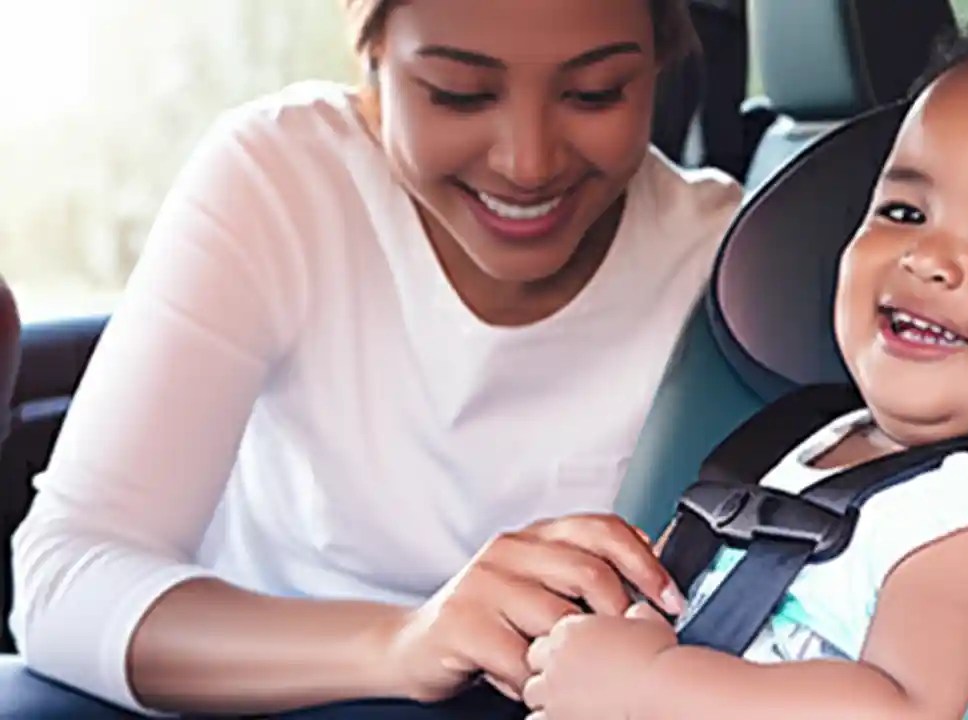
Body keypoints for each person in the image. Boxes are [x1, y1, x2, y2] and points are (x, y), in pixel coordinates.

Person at [518, 4, 968, 719]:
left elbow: (918, 712)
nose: (929, 258)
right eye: (904, 212)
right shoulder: (810, 438)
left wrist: (654, 686)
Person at [7, 0, 741, 716]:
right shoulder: (282, 178)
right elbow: (66, 580)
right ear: (376, 51)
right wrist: (403, 643)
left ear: (659, 66)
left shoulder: (734, 268)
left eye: (594, 93)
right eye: (459, 93)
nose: (528, 161)